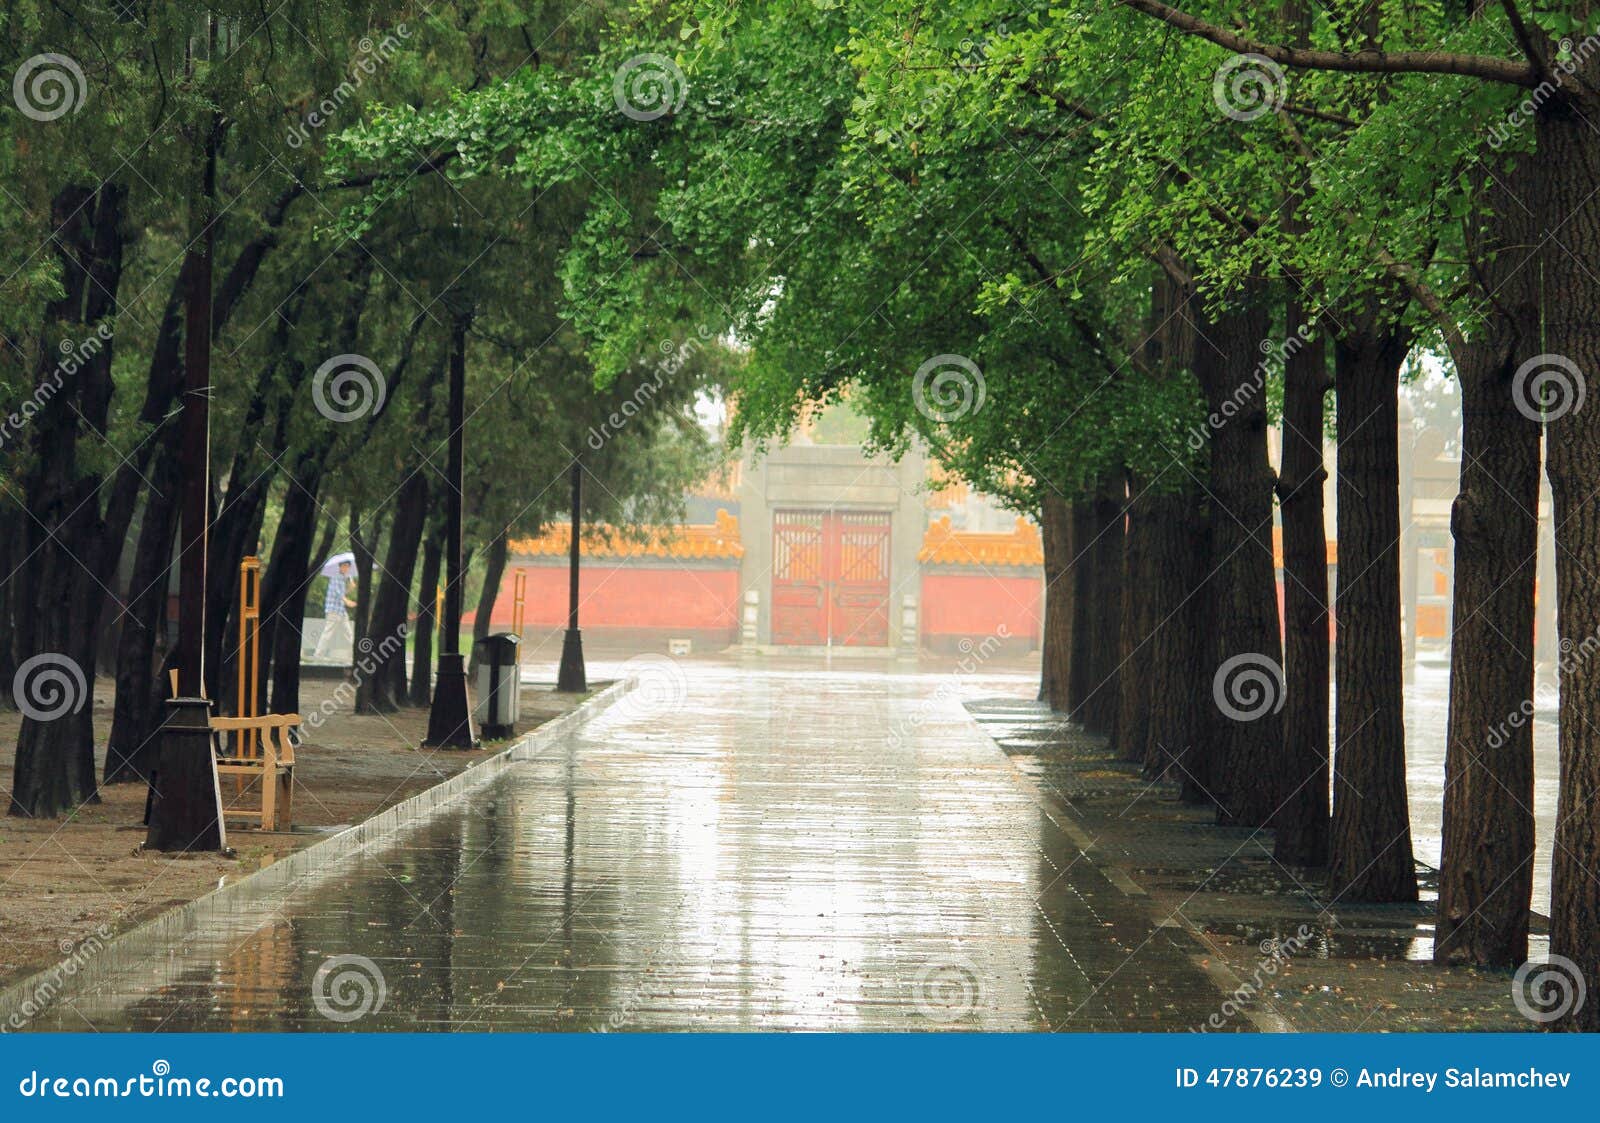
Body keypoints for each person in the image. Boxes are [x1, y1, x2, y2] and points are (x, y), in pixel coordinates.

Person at [312, 560, 357, 659]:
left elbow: (343, 592)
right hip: (334, 610)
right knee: (328, 633)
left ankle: (358, 655)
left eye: (348, 566)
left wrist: (351, 587)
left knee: (349, 633)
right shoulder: (336, 576)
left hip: (341, 610)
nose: (346, 568)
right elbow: (338, 593)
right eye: (344, 566)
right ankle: (318, 655)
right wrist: (347, 602)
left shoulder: (343, 578)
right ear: (340, 567)